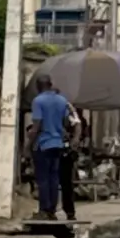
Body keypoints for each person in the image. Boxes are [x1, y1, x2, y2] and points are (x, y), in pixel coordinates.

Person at [26, 75, 76, 220]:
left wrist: (28, 145)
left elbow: (37, 125)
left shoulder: (38, 101)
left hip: (43, 144)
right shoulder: (62, 100)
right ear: (50, 84)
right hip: (58, 144)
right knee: (54, 177)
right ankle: (52, 210)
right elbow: (66, 121)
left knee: (43, 178)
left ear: (38, 86)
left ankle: (44, 210)